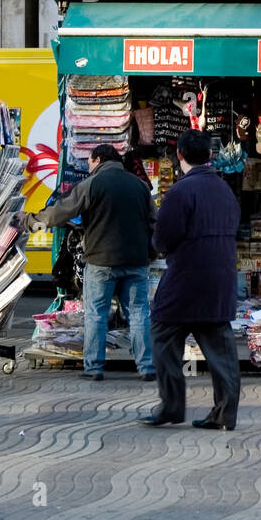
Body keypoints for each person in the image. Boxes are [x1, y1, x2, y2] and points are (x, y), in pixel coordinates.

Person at [140, 130, 242, 430]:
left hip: (186, 278)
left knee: (162, 334)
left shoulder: (181, 192)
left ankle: (171, 406)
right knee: (220, 346)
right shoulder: (224, 190)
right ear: (210, 156)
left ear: (180, 155)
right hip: (221, 276)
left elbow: (163, 239)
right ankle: (225, 412)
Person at [38, 143, 155, 382]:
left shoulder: (91, 184)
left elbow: (60, 211)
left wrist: (33, 221)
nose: (88, 167)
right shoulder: (140, 186)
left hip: (101, 261)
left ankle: (94, 368)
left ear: (99, 160)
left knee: (96, 314)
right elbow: (155, 221)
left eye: (90, 162)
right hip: (136, 261)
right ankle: (146, 367)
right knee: (138, 313)